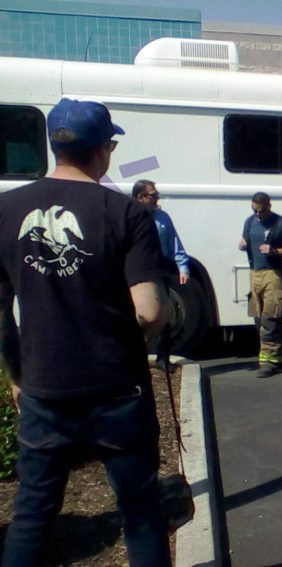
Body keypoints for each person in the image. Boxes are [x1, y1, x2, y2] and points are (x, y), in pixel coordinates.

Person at [0, 98, 173, 565]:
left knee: (32, 512)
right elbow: (148, 312)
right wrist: (164, 314)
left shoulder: (5, 208)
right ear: (103, 150)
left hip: (44, 390)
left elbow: (0, 313)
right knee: (140, 511)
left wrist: (17, 377)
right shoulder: (127, 213)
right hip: (118, 391)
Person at [239, 192, 282, 379]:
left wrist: (275, 251)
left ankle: (268, 361)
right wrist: (244, 243)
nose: (258, 213)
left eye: (261, 210)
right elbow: (247, 238)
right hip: (255, 272)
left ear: (269, 206)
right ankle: (280, 354)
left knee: (271, 317)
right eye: (255, 210)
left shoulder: (281, 224)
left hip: (274, 273)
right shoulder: (250, 222)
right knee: (259, 318)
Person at [132, 179, 190, 369]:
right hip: (137, 270)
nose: (157, 198)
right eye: (153, 195)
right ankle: (136, 357)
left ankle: (162, 358)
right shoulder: (129, 216)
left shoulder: (163, 217)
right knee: (138, 314)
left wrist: (183, 267)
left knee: (164, 312)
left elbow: (174, 243)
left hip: (160, 268)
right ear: (140, 197)